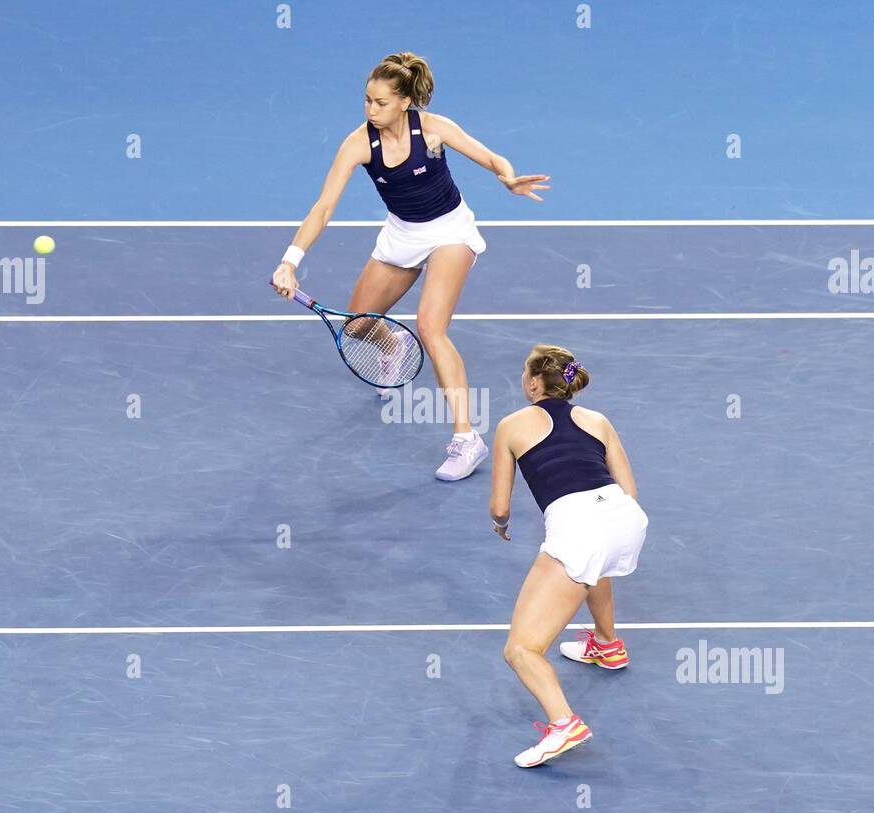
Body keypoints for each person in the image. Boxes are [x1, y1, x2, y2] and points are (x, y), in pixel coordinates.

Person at [271, 51, 550, 480]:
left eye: (380, 102)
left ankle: (466, 439)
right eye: (366, 100)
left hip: (449, 232)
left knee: (430, 327)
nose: (370, 109)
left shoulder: (434, 129)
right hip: (401, 235)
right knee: (358, 326)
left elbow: (492, 159)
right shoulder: (359, 143)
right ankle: (391, 347)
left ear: (405, 102)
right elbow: (324, 207)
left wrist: (507, 177)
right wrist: (290, 260)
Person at [489, 345, 649, 767]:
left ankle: (564, 723)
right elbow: (629, 490)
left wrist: (502, 527)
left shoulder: (510, 426)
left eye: (525, 373)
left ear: (535, 382)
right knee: (595, 564)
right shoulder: (598, 420)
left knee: (521, 649)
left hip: (580, 529)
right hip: (625, 518)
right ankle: (608, 645)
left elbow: (501, 508)